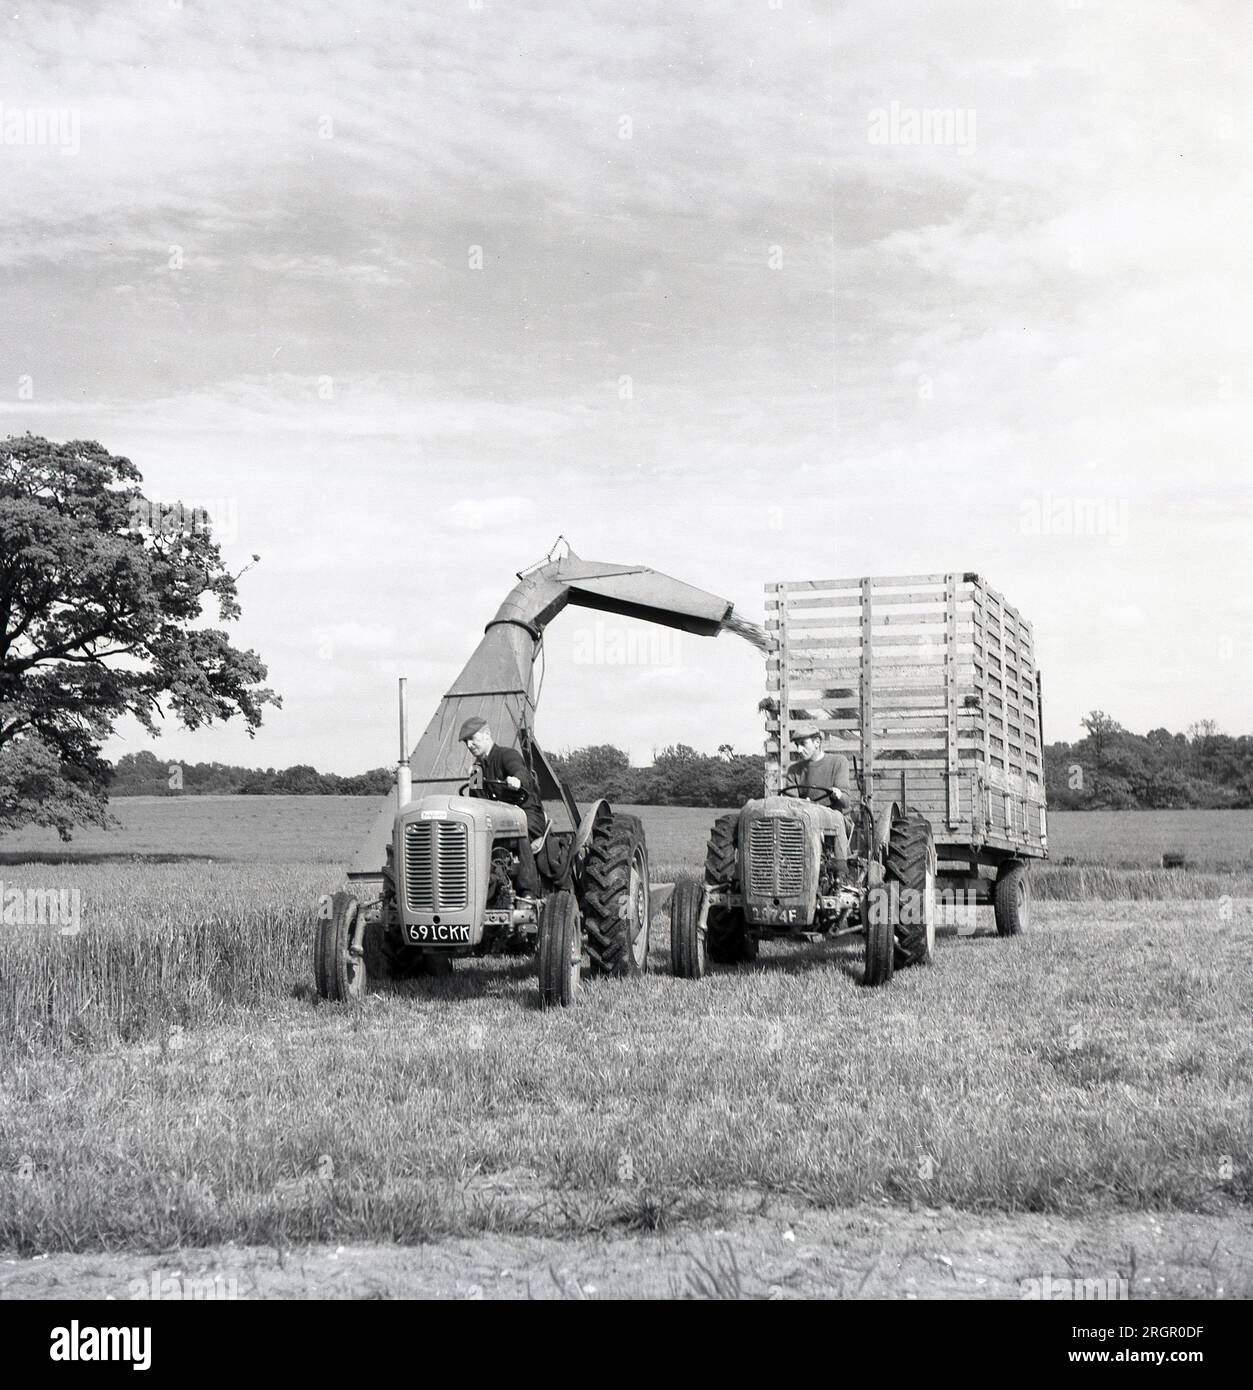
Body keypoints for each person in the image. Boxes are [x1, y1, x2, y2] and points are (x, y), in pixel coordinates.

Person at [458, 715, 545, 896]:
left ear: (487, 734)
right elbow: (476, 803)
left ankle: (528, 892)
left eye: (472, 739)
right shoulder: (476, 770)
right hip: (497, 823)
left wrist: (517, 780)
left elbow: (520, 770)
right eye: (466, 742)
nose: (469, 745)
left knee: (519, 832)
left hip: (525, 815)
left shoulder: (507, 755)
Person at [784, 729, 853, 883]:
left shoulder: (838, 762)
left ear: (817, 742)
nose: (799, 750)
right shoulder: (794, 770)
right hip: (804, 819)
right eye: (796, 745)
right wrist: (802, 803)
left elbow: (846, 801)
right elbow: (790, 802)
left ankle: (840, 873)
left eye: (803, 744)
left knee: (836, 818)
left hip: (834, 820)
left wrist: (838, 794)